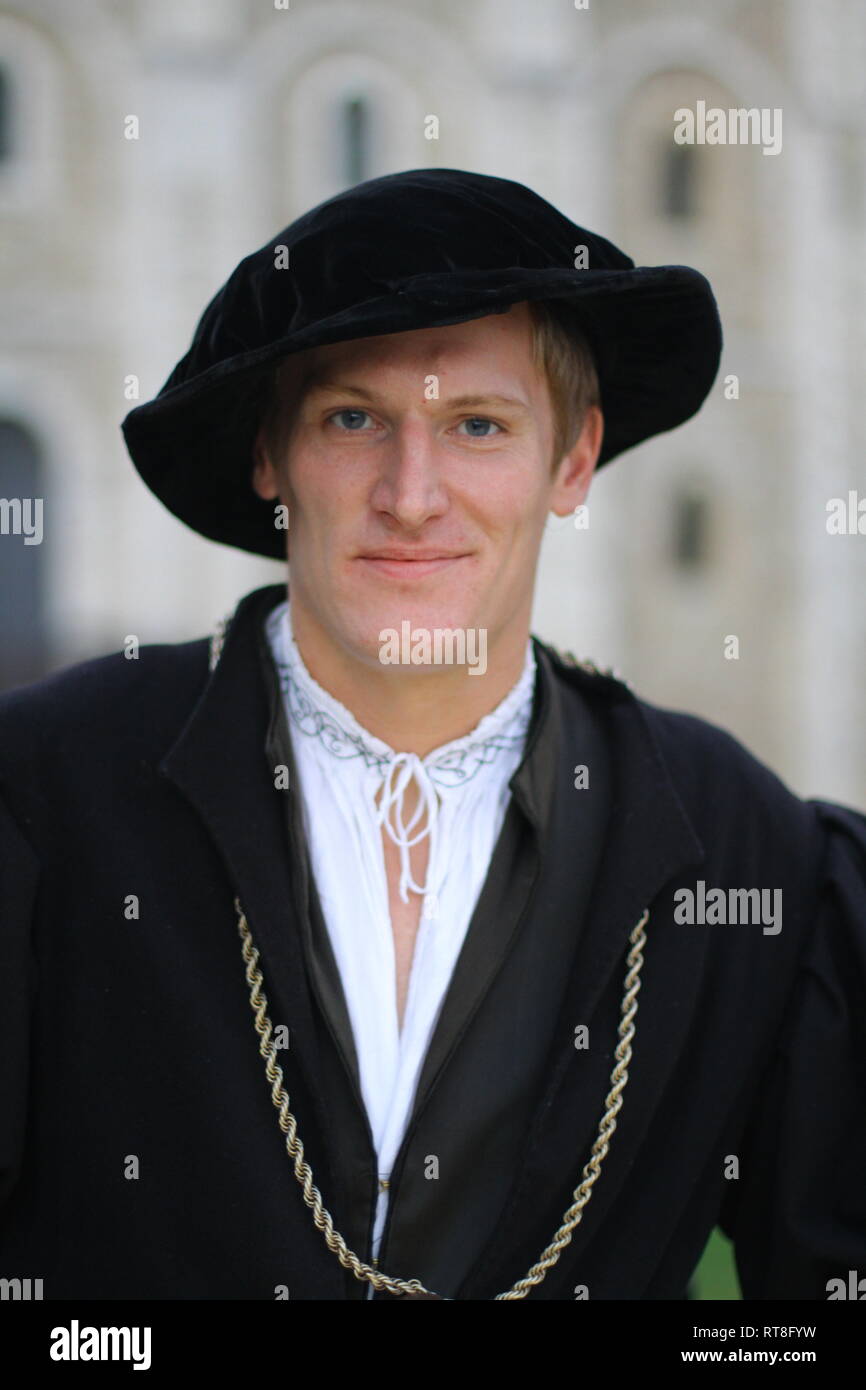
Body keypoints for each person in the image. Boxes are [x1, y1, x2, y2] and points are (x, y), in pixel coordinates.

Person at [0, 168, 863, 1302]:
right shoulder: (50, 788)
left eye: (476, 425)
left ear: (570, 459)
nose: (412, 494)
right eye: (353, 418)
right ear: (271, 456)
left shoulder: (747, 851)